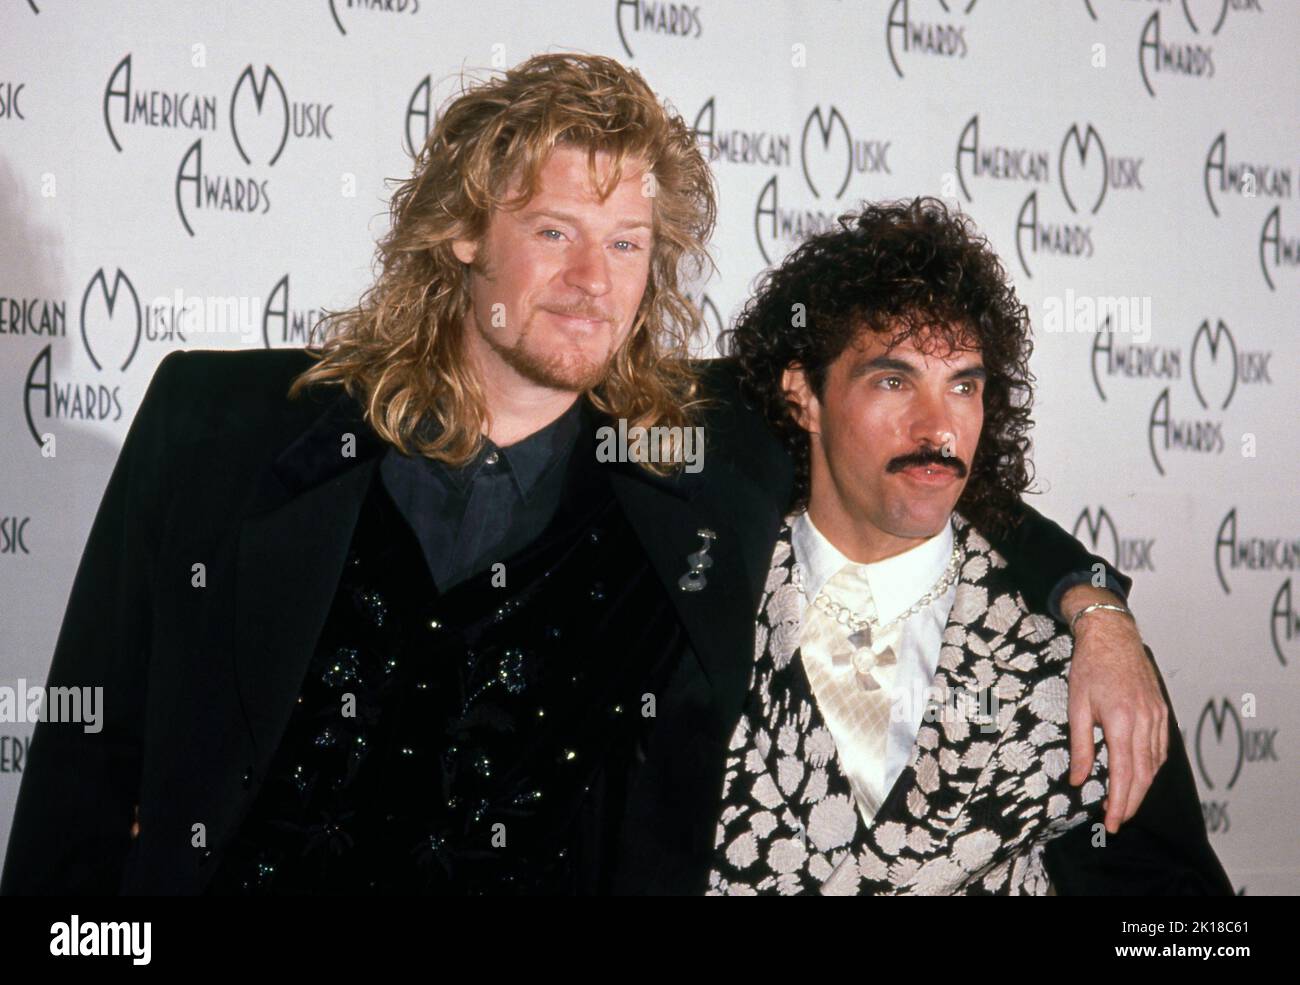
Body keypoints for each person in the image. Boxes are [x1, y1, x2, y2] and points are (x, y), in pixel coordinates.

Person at [3, 55, 1163, 896]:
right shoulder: (224, 425)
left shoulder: (698, 451)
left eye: (626, 247)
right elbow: (80, 776)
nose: (590, 282)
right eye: (554, 231)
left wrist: (1094, 605)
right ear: (462, 232)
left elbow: (918, 459)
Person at [707, 197, 1232, 895]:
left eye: (963, 386)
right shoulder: (697, 606)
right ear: (802, 393)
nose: (937, 428)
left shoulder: (1073, 664)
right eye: (894, 380)